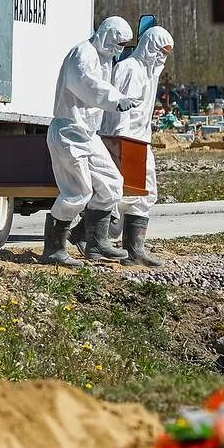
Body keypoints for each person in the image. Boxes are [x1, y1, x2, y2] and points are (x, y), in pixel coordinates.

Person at [42, 16, 139, 267]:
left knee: (112, 182)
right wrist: (116, 99)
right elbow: (87, 84)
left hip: (88, 134)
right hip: (69, 132)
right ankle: (54, 250)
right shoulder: (82, 54)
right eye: (118, 43)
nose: (120, 49)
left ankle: (96, 241)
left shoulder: (104, 60)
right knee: (77, 193)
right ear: (107, 35)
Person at [99, 26, 174, 268]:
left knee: (146, 193)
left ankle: (134, 250)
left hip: (142, 141)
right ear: (150, 46)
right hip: (125, 140)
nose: (162, 57)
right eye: (161, 50)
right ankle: (89, 237)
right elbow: (121, 111)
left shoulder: (148, 73)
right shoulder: (130, 69)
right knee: (114, 193)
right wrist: (120, 145)